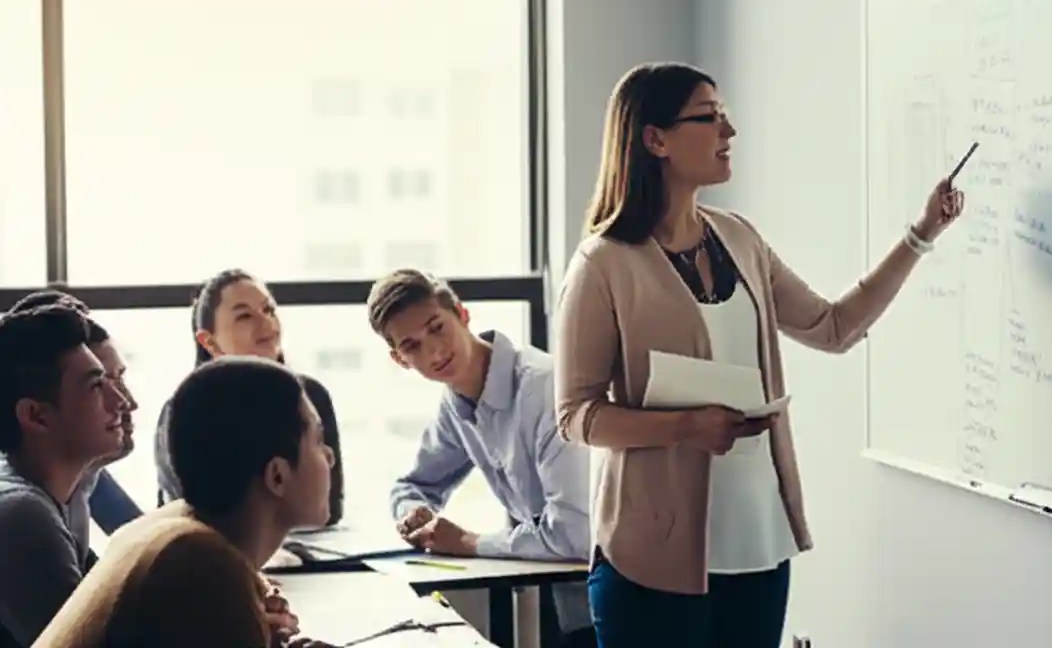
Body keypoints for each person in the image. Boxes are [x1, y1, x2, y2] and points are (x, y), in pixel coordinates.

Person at [555, 62, 964, 647]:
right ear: (655, 139)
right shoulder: (603, 264)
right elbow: (576, 415)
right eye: (709, 116)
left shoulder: (739, 238)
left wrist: (922, 234)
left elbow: (834, 327)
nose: (729, 131)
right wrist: (685, 427)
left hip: (757, 542)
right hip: (653, 559)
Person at [34, 355, 335, 648]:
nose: (330, 457)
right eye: (318, 441)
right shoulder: (205, 567)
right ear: (277, 476)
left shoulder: (173, 527)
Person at [366, 269, 596, 648]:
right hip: (564, 596)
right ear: (399, 359)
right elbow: (413, 485)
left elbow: (574, 533)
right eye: (412, 346)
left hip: (623, 589)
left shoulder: (544, 390)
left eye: (437, 327)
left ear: (461, 313)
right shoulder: (456, 404)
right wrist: (412, 515)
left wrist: (470, 542)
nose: (434, 352)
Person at [154, 269, 345, 526]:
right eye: (244, 316)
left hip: (305, 548)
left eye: (269, 310)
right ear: (209, 341)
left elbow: (329, 507)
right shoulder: (187, 411)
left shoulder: (311, 396)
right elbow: (193, 511)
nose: (266, 323)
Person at [0, 306, 131, 647]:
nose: (120, 401)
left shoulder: (64, 496)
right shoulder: (21, 516)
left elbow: (119, 608)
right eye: (95, 386)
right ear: (36, 416)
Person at [6, 290, 142, 539]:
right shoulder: (26, 511)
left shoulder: (79, 483)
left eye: (119, 379)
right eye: (96, 384)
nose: (127, 402)